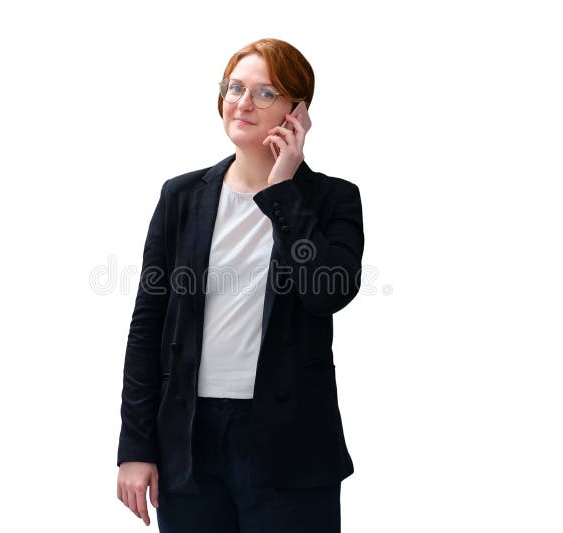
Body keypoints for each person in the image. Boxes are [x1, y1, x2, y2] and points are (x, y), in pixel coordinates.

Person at [116, 38, 365, 532]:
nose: (243, 103)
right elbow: (148, 326)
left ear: (298, 112)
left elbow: (326, 293)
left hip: (291, 446)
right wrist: (136, 447)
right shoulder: (182, 196)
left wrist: (282, 191)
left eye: (265, 93)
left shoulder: (333, 200)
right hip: (189, 442)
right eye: (235, 88)